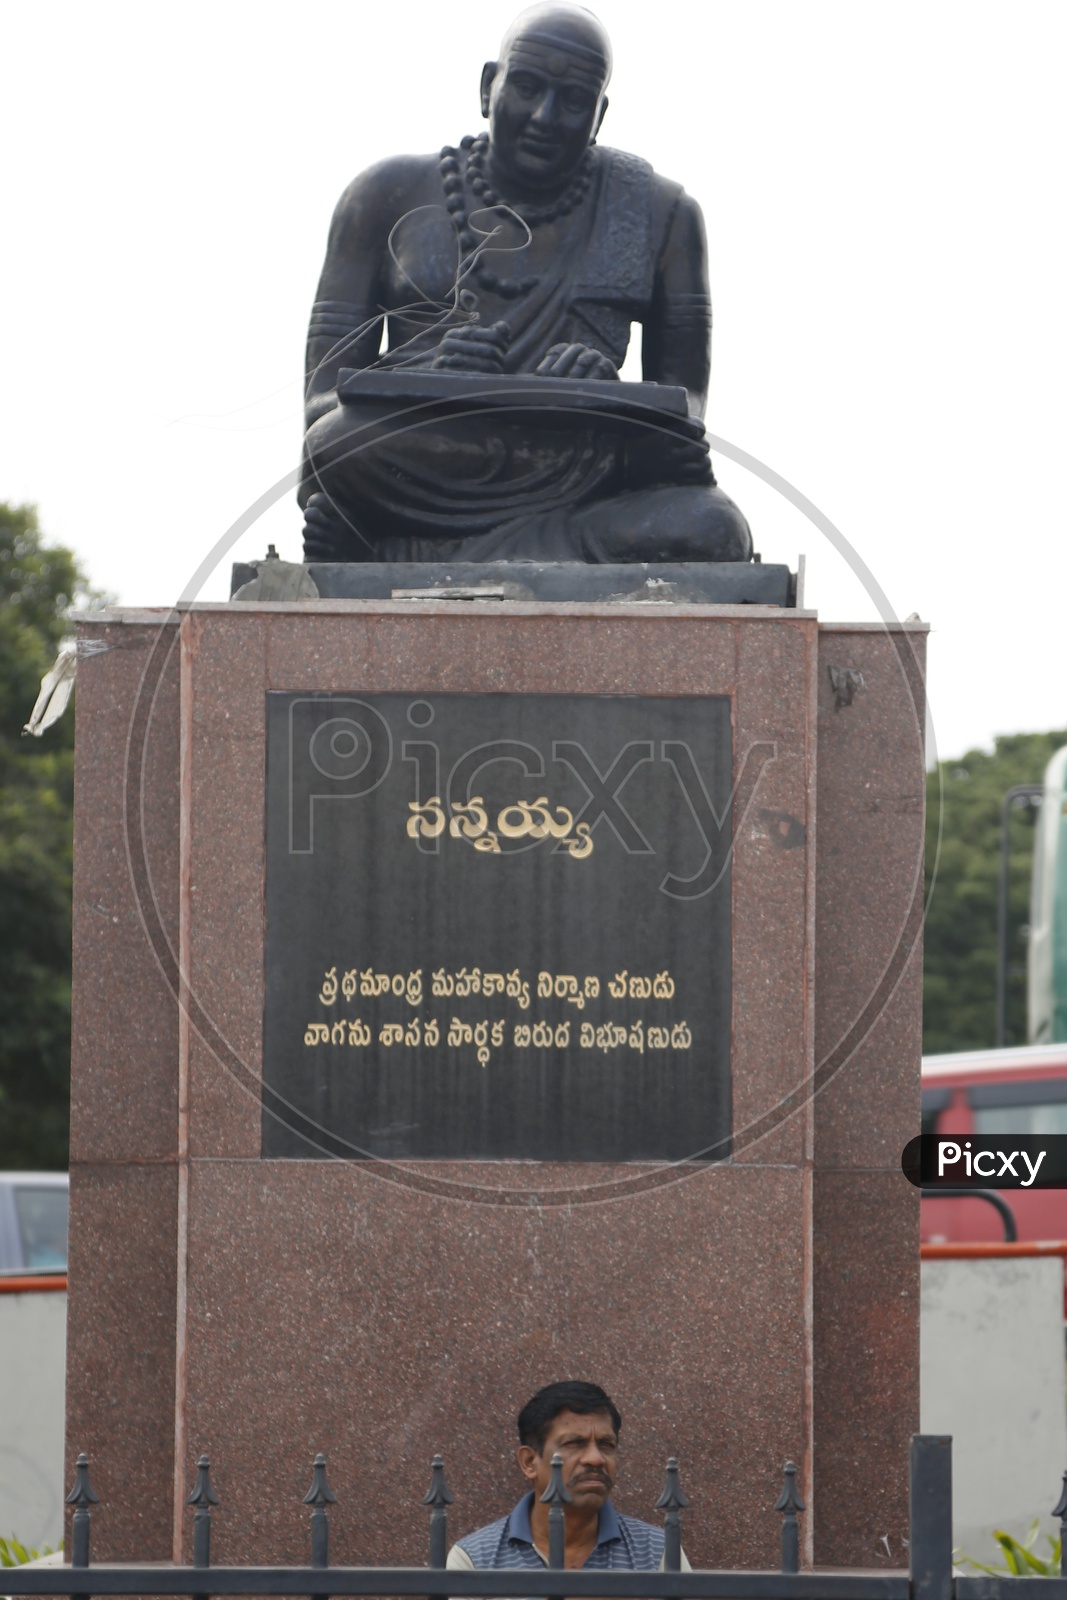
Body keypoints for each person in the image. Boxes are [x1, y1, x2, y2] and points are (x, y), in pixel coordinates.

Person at [299, 4, 750, 565]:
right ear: (490, 86)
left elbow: (686, 410)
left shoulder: (661, 213)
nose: (544, 116)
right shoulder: (383, 194)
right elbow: (320, 405)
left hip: (582, 463)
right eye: (528, 86)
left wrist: (606, 396)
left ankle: (406, 554)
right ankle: (526, 556)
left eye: (574, 101)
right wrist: (426, 373)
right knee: (336, 445)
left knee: (713, 527)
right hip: (430, 454)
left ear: (599, 115)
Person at [446, 1381, 690, 1573]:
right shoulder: (475, 1559)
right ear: (530, 1462)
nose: (595, 1459)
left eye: (606, 1444)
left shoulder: (657, 1552)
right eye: (574, 1443)